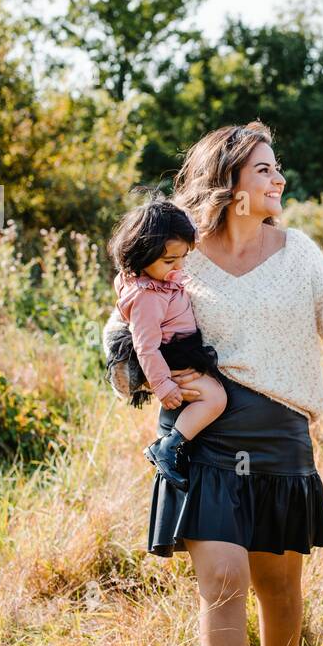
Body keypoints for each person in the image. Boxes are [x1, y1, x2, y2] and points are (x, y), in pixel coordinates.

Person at [146, 121, 323, 646]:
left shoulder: (297, 250)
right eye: (265, 169)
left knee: (279, 585)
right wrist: (154, 374)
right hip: (203, 441)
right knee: (223, 579)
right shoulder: (178, 254)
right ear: (231, 184)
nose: (279, 179)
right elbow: (126, 326)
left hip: (280, 439)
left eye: (277, 168)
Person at [103, 190, 226, 492]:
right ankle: (169, 446)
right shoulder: (146, 296)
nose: (179, 267)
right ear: (142, 256)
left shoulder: (159, 279)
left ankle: (173, 444)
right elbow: (146, 345)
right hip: (172, 359)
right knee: (215, 397)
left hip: (181, 350)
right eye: (170, 260)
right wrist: (163, 386)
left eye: (183, 257)